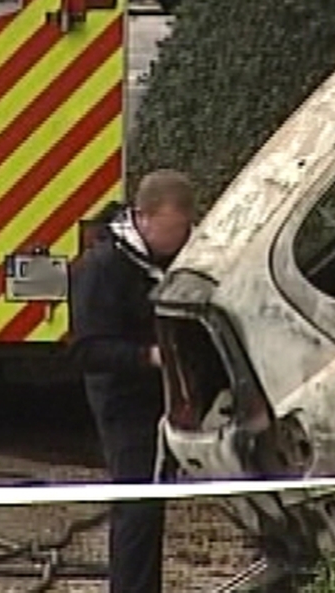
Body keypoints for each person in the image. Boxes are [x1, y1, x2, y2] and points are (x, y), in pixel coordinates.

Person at [68, 170, 197, 593]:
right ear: (142, 217)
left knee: (152, 505)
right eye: (173, 231)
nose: (180, 241)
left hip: (157, 397)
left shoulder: (162, 262)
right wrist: (149, 356)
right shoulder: (102, 268)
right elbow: (87, 350)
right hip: (123, 402)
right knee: (137, 508)